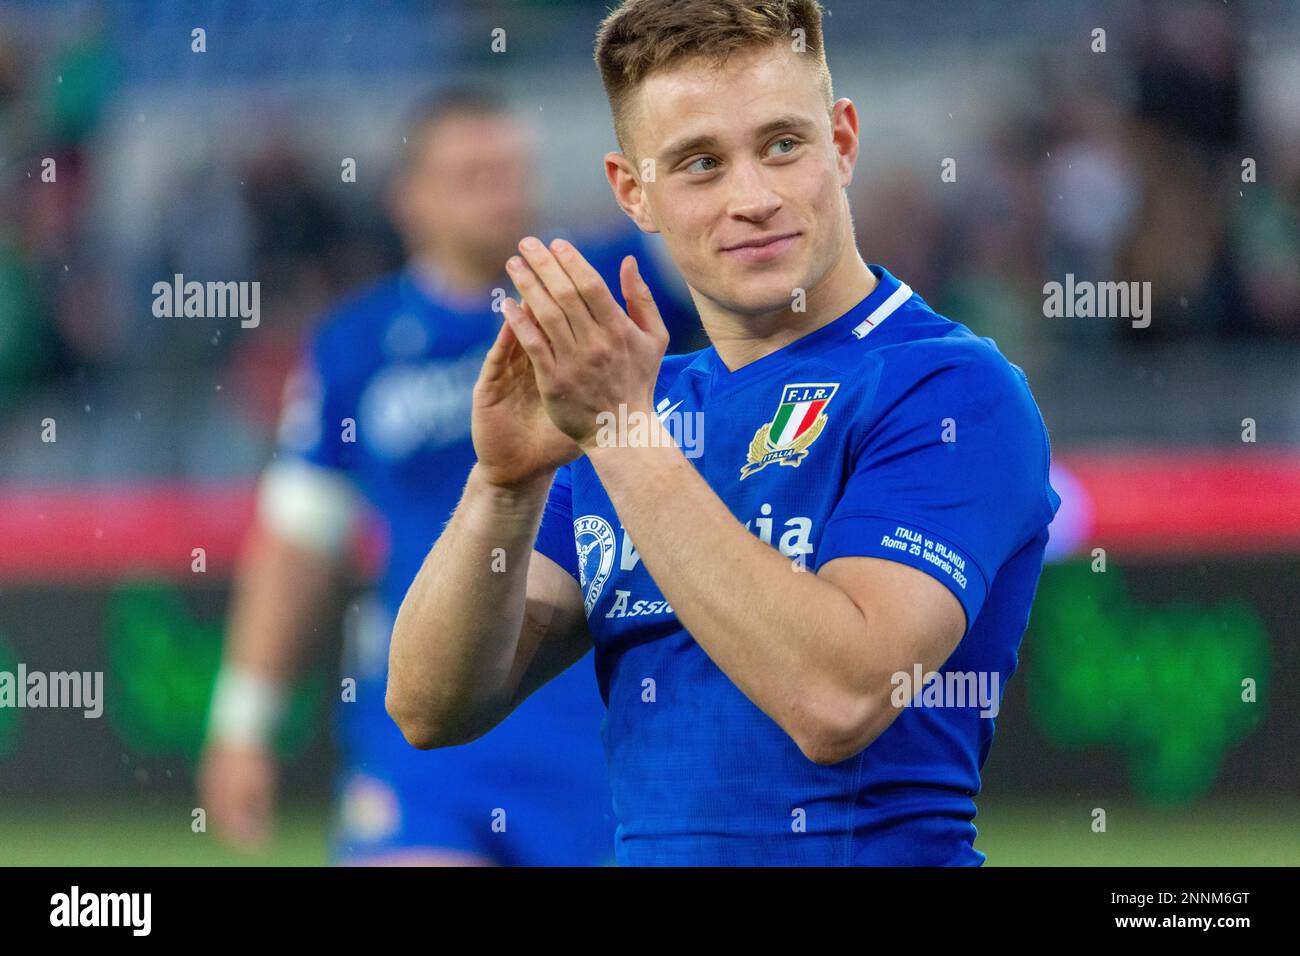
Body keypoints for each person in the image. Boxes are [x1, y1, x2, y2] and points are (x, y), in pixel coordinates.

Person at [388, 0, 1060, 865]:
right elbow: (428, 705)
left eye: (783, 144)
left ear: (842, 142)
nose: (753, 198)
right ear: (635, 192)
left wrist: (622, 434)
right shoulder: (637, 410)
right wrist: (505, 483)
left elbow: (839, 699)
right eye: (701, 164)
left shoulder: (949, 390)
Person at [198, 85, 694, 865]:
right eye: (470, 175)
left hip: (596, 711)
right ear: (412, 201)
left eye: (510, 170)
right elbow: (296, 544)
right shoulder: (355, 346)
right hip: (430, 726)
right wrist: (242, 723)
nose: (501, 192)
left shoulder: (612, 286)